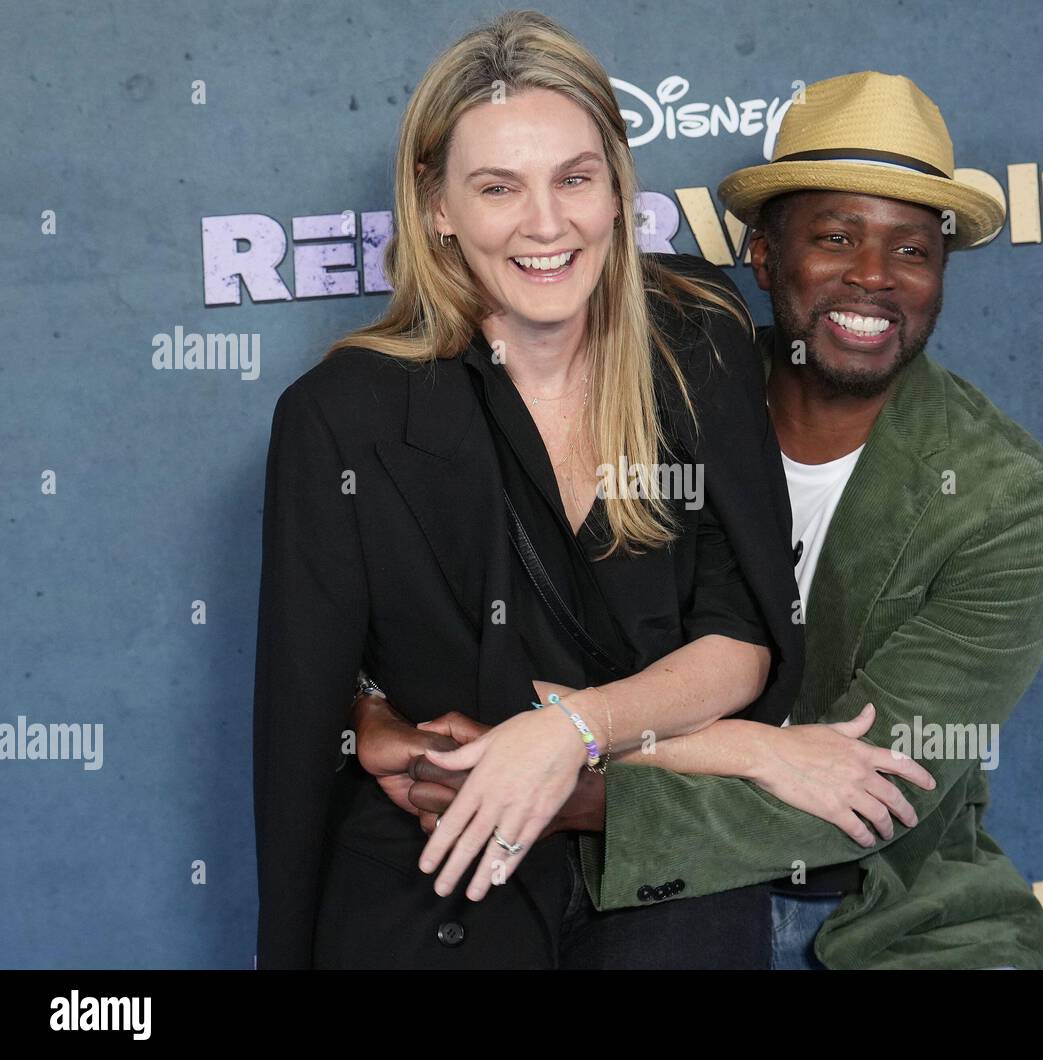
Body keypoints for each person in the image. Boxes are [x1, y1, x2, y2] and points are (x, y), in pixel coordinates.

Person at [253, 14, 929, 971]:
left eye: (574, 177)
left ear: (616, 185)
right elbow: (426, 722)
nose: (546, 224)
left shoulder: (700, 332)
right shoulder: (341, 416)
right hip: (441, 841)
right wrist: (751, 752)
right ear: (435, 205)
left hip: (656, 841)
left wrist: (569, 729)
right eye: (498, 188)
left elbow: (740, 638)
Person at [363, 70, 1043, 971]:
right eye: (835, 237)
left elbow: (876, 781)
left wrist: (562, 782)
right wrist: (384, 708)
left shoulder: (1007, 501)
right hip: (618, 902)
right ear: (764, 255)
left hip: (887, 910)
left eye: (912, 251)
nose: (872, 277)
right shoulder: (644, 394)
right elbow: (483, 630)